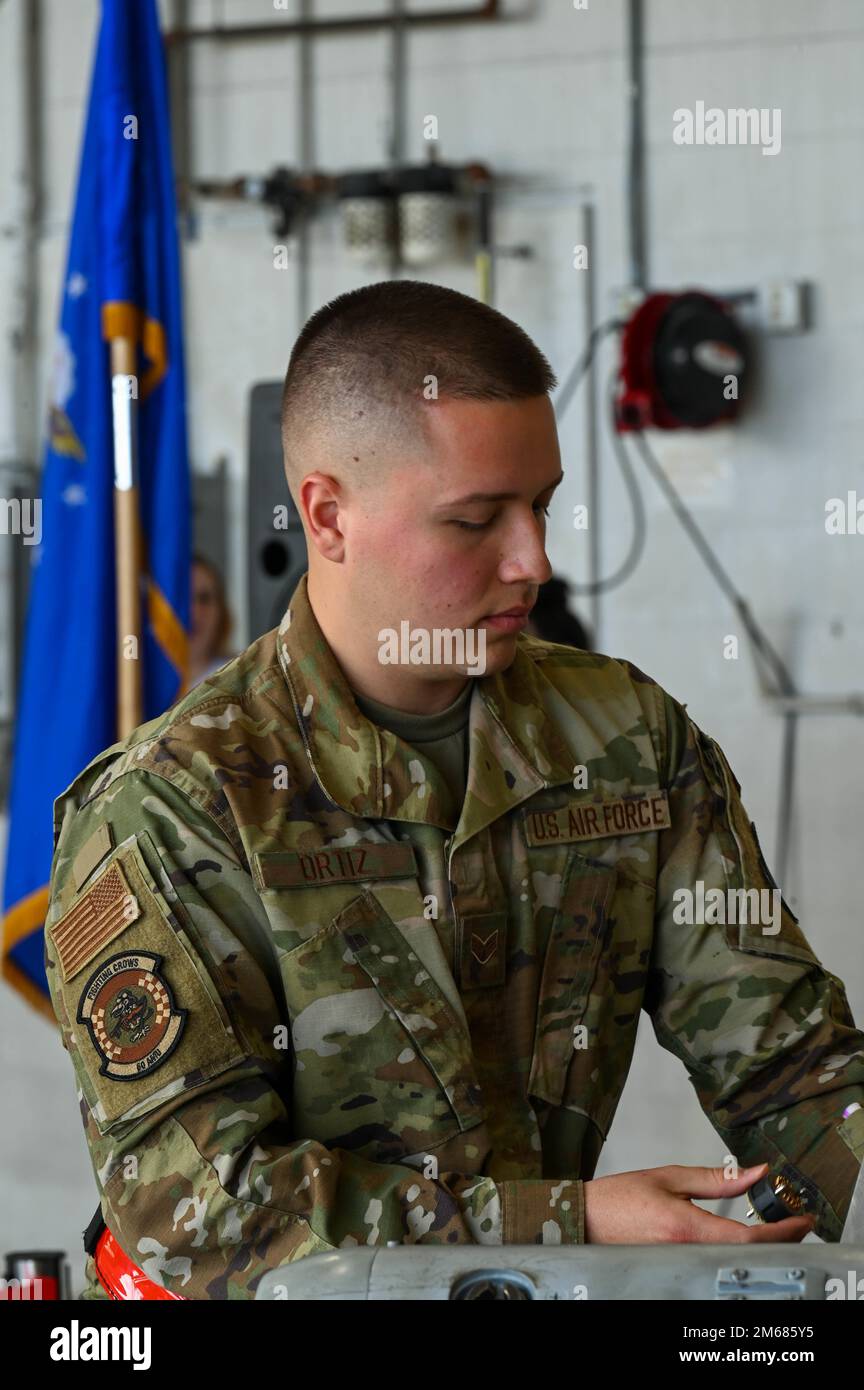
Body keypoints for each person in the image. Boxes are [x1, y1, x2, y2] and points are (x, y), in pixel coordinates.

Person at [44, 280, 864, 1301]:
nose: (535, 560)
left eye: (544, 506)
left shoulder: (624, 739)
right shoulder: (178, 807)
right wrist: (578, 1226)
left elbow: (793, 1064)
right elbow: (204, 1211)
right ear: (328, 515)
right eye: (477, 520)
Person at [185, 553, 235, 691]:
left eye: (204, 599)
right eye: (182, 599)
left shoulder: (243, 680)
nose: (193, 611)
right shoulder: (131, 680)